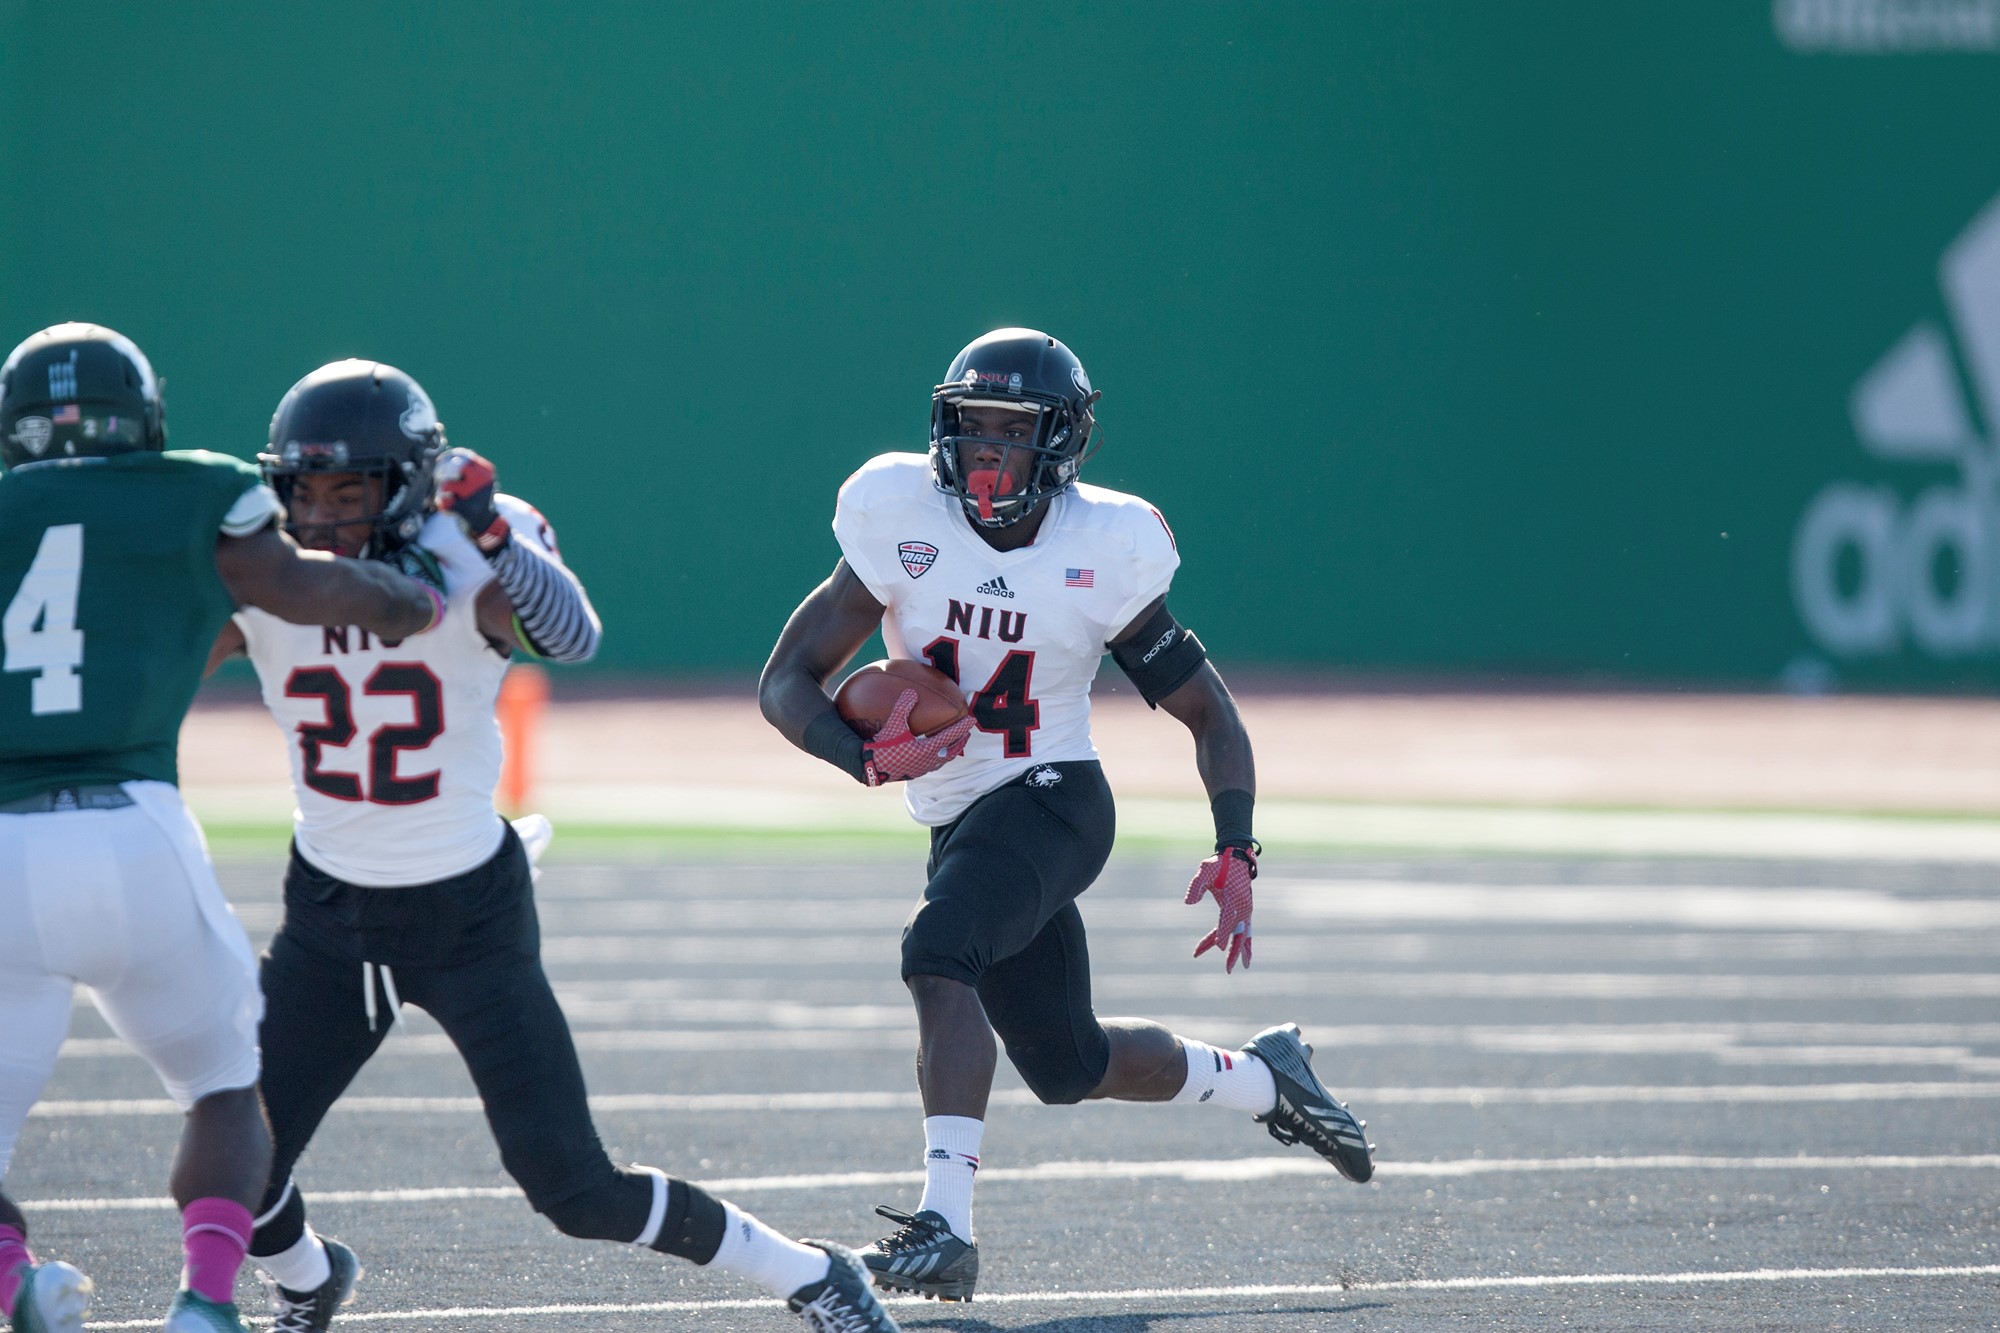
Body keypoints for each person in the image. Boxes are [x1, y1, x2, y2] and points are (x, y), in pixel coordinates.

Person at [206, 360, 901, 1333]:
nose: (318, 518)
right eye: (303, 492)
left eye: (346, 491)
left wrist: (491, 535)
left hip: (466, 916)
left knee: (574, 1187)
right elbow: (163, 664)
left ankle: (810, 1272)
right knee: (235, 1161)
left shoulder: (465, 544)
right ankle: (310, 1278)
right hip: (329, 912)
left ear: (404, 486)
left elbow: (569, 635)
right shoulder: (263, 566)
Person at [760, 328, 1376, 1301]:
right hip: (960, 817)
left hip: (1055, 799)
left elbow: (1208, 710)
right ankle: (1268, 1077)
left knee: (936, 952)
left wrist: (1236, 845)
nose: (988, 451)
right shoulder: (897, 513)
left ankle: (945, 1228)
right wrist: (864, 756)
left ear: (1060, 443)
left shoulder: (1104, 547)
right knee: (1067, 1063)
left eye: (1013, 431)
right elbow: (785, 681)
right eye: (974, 428)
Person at [0, 325, 446, 1333]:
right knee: (223, 1089)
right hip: (133, 831)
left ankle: (15, 1283)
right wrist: (407, 603)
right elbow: (300, 587)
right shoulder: (195, 488)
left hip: (1, 842)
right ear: (144, 418)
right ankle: (204, 1301)